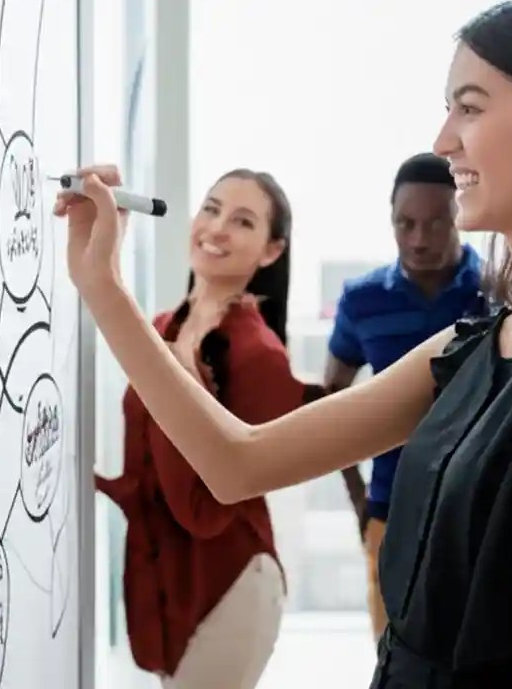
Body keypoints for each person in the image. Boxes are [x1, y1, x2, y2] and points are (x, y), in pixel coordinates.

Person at [59, 0, 512, 689]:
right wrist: (101, 283)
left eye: (470, 107)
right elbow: (236, 463)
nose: (444, 141)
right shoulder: (472, 346)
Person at [93, 168, 308, 689]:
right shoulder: (162, 327)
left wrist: (185, 382)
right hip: (171, 583)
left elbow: (204, 510)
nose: (216, 228)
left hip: (230, 588)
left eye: (242, 221)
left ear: (272, 251)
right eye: (211, 209)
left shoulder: (261, 358)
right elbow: (147, 474)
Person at [323, 151, 487, 641]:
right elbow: (331, 402)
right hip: (390, 509)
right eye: (405, 223)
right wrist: (358, 499)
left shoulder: (499, 291)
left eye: (436, 223)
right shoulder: (362, 299)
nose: (419, 239)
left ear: (460, 216)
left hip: (480, 509)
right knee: (392, 657)